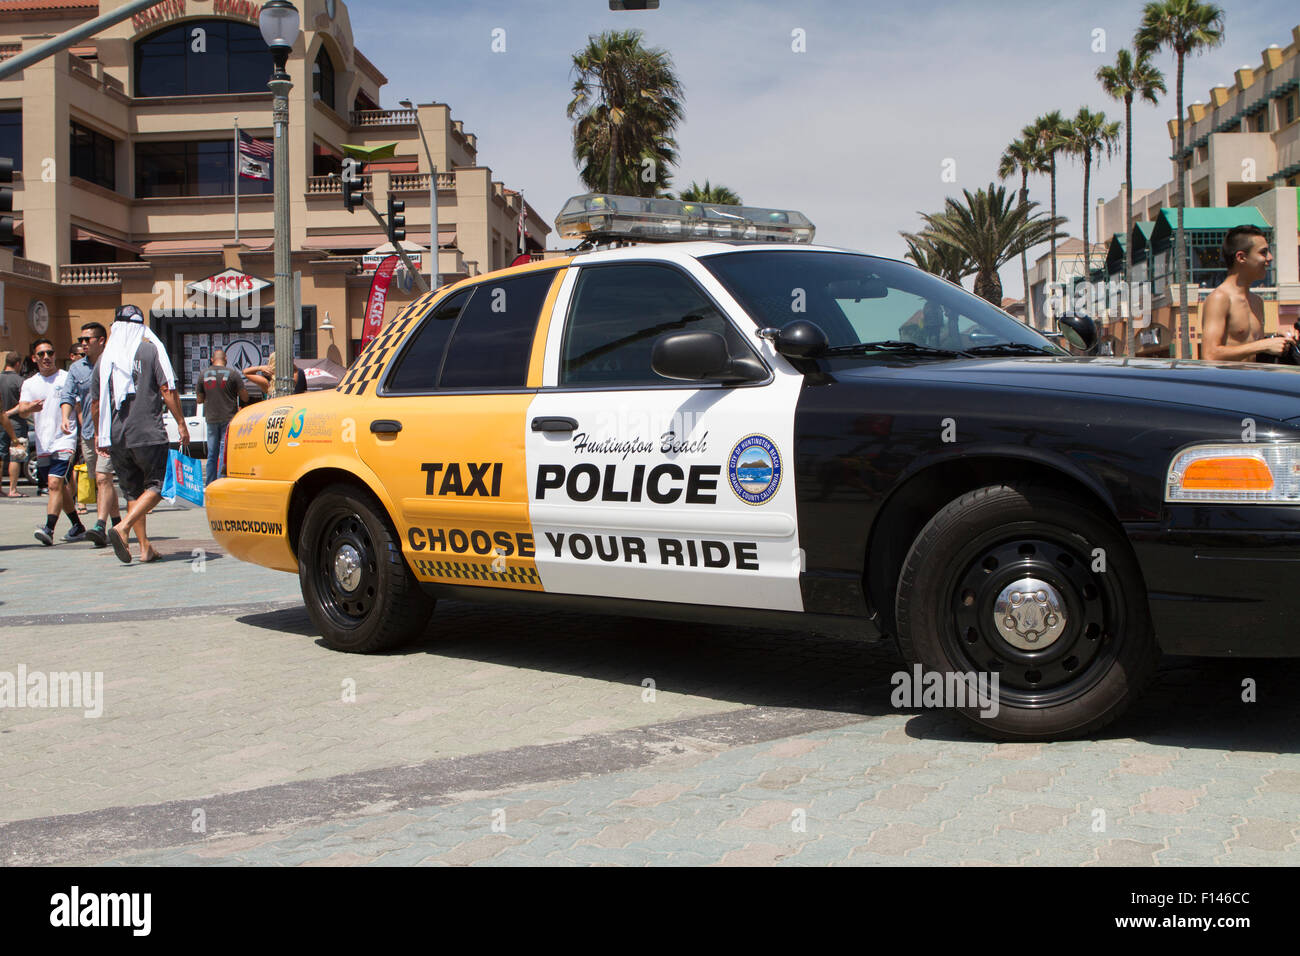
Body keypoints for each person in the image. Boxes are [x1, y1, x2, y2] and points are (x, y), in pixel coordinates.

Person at [91, 304, 189, 564]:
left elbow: (95, 402)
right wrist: (181, 422)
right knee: (161, 485)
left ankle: (144, 547)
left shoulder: (104, 359)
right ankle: (123, 527)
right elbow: (167, 388)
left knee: (133, 492)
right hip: (148, 432)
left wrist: (99, 436)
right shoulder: (150, 349)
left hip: (117, 435)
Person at [11, 339, 84, 544]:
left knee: (54, 483)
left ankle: (49, 529)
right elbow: (22, 408)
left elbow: (77, 409)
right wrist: (29, 409)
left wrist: (87, 433)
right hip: (43, 442)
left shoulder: (66, 378)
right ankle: (77, 526)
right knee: (59, 487)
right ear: (34, 358)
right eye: (41, 354)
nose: (47, 357)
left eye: (50, 353)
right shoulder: (29, 383)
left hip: (65, 438)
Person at [60, 322, 120, 547]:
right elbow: (67, 396)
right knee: (102, 481)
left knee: (104, 478)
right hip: (88, 434)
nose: (83, 344)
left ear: (101, 340)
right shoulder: (76, 368)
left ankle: (99, 526)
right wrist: (65, 417)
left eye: (87, 340)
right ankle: (118, 524)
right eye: (81, 340)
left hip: (111, 432)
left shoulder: (114, 363)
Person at [1201, 225, 1299, 362]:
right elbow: (1209, 354)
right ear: (1241, 257)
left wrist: (1276, 340)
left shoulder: (1257, 301)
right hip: (1228, 382)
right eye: (1263, 252)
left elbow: (1249, 348)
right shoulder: (1220, 298)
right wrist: (1262, 345)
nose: (1270, 258)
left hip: (1254, 380)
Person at [196, 347, 249, 486]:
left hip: (211, 417)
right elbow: (245, 396)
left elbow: (199, 400)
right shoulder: (233, 374)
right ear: (225, 359)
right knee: (223, 452)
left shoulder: (203, 374)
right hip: (228, 418)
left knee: (212, 454)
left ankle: (209, 484)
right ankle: (220, 483)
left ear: (212, 360)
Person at [1, 350, 27, 498]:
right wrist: (9, 413)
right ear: (18, 364)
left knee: (1, 454)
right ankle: (12, 489)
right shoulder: (20, 381)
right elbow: (23, 404)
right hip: (16, 422)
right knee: (15, 455)